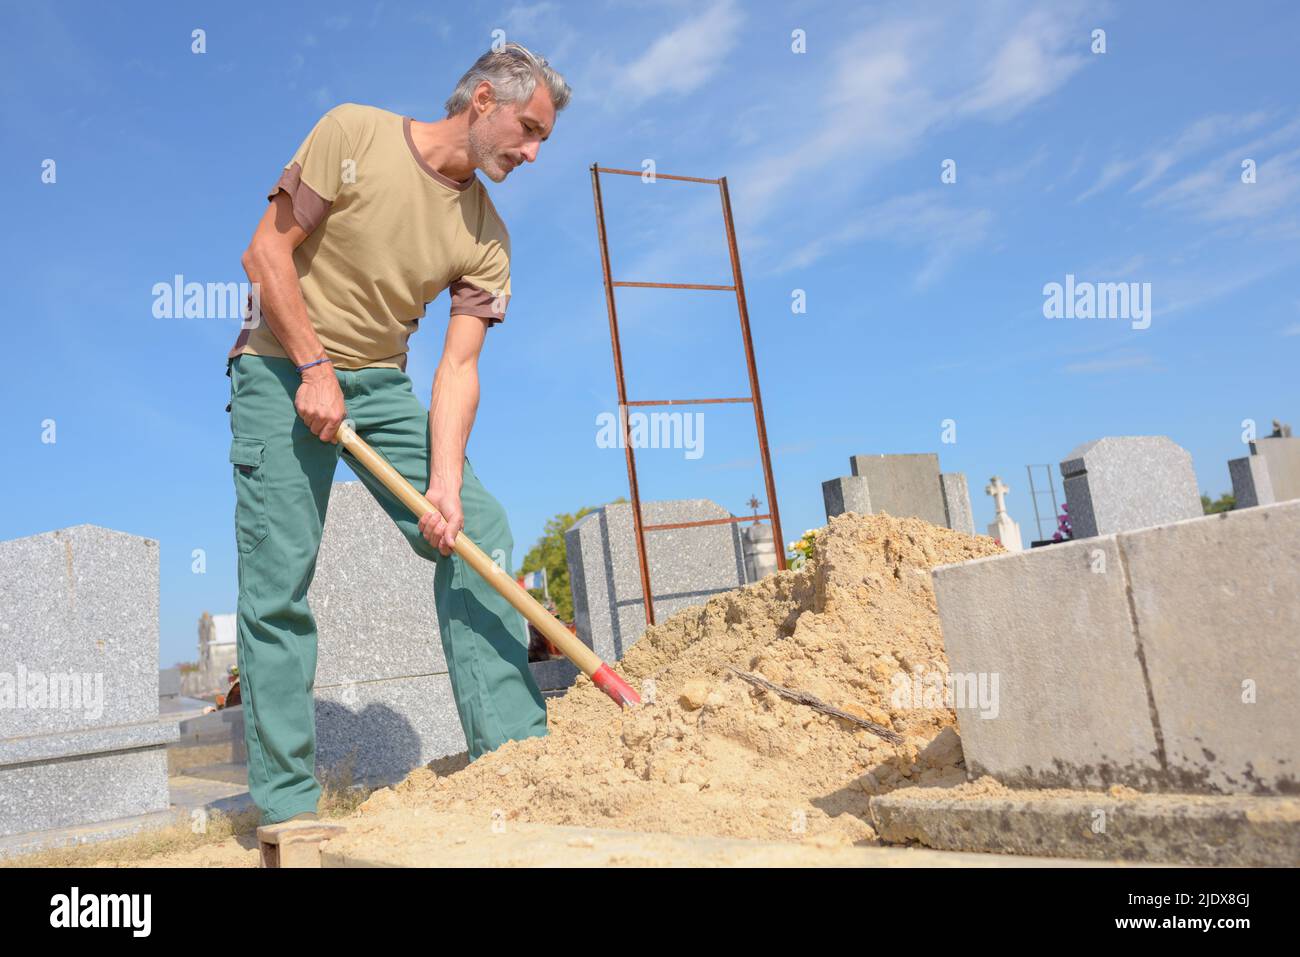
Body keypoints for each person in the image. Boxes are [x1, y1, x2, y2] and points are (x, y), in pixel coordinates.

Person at [224, 43, 570, 826]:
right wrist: (313, 368)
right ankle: (288, 808)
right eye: (529, 128)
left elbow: (457, 370)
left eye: (543, 138)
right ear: (482, 100)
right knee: (279, 581)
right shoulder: (354, 135)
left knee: (476, 524)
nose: (533, 151)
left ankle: (511, 754)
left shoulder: (487, 235)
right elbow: (264, 251)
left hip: (381, 386)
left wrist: (443, 480)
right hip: (281, 364)